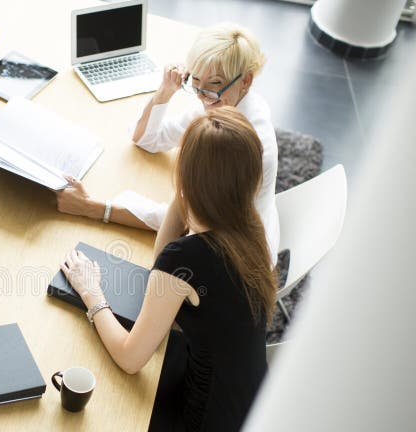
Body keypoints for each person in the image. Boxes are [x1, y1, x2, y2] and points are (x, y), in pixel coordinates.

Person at [61, 107, 276, 432]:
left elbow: (131, 359)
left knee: (95, 351)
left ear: (189, 176)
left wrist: (91, 293)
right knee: (133, 331)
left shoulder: (188, 257)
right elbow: (159, 271)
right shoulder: (251, 227)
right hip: (247, 411)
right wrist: (186, 194)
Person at [57, 23, 280, 264]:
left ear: (245, 81)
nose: (202, 96)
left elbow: (188, 220)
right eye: (195, 81)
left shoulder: (241, 147)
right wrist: (165, 91)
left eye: (214, 83)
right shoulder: (220, 103)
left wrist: (95, 208)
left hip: (237, 259)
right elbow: (146, 139)